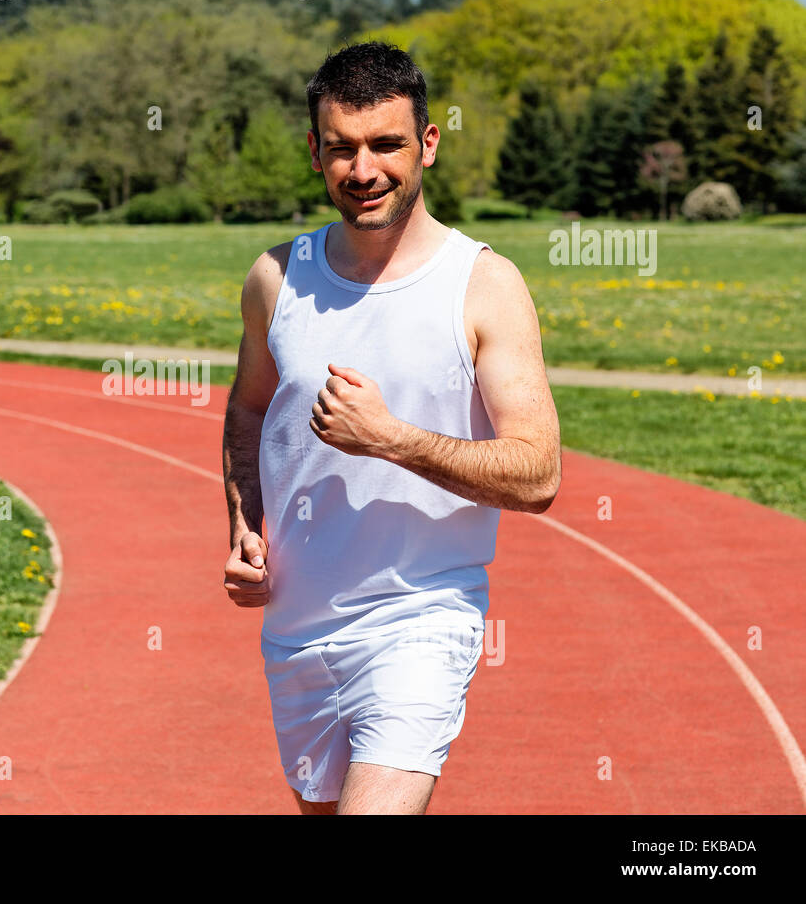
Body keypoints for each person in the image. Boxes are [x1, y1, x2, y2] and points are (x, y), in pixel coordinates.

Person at [221, 41, 562, 814]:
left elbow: (539, 475)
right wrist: (246, 526)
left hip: (422, 618)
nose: (363, 169)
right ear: (315, 152)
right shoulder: (276, 278)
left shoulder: (482, 285)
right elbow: (247, 409)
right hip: (297, 631)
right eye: (341, 148)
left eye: (385, 145)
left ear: (428, 145)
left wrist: (391, 438)